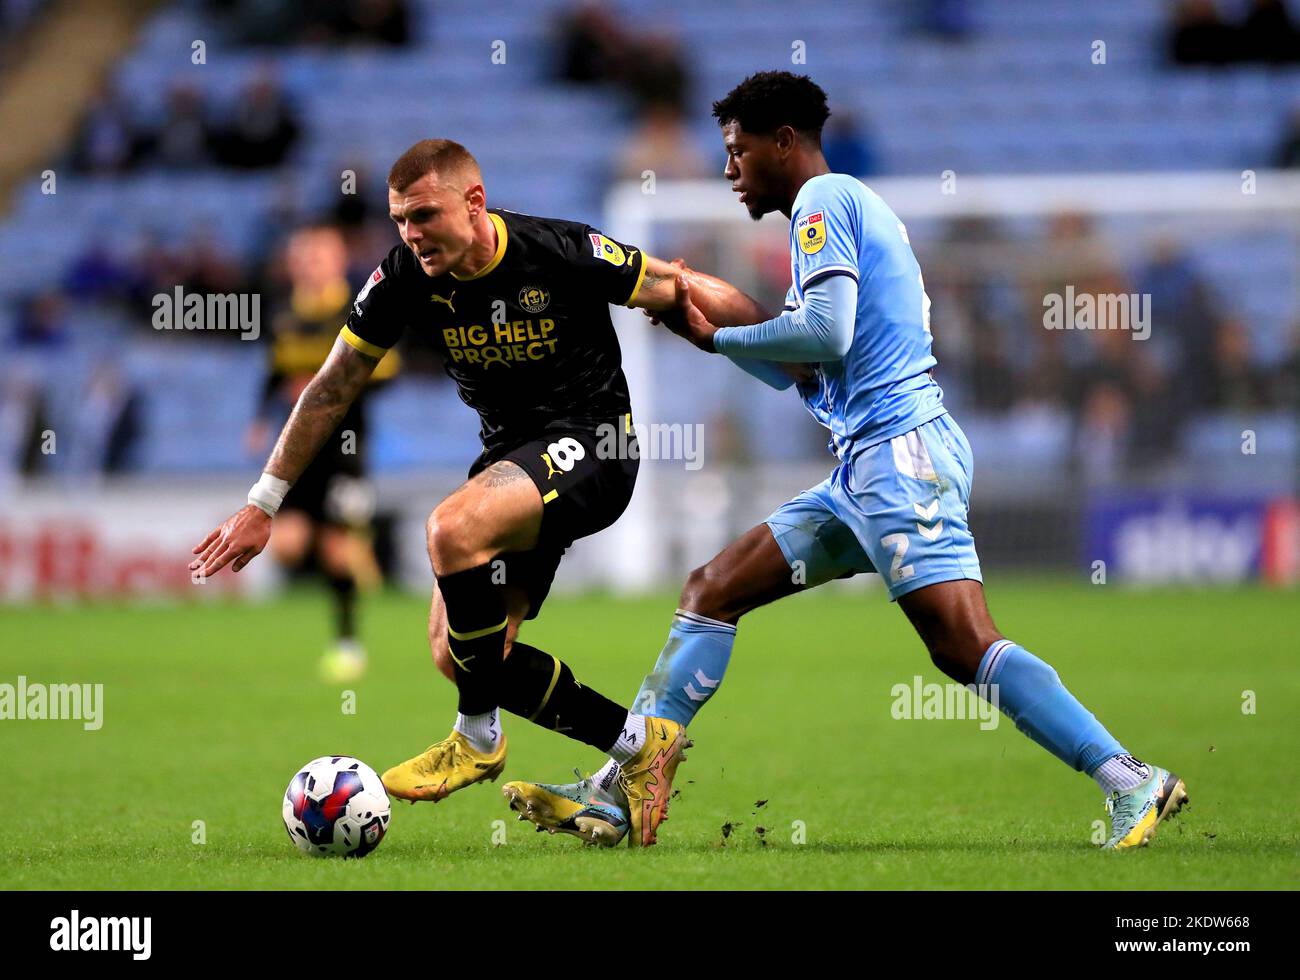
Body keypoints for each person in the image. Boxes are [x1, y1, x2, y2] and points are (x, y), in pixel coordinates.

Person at [506, 72, 1188, 851]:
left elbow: (824, 334)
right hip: (867, 468)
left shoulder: (824, 203)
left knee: (962, 645)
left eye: (739, 151)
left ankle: (1130, 779)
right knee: (712, 589)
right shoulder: (838, 210)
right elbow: (810, 362)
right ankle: (623, 788)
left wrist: (722, 339)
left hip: (900, 459)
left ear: (784, 143)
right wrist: (711, 333)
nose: (729, 169)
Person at [190, 138, 782, 846]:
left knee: (450, 529)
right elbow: (332, 386)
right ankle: (639, 745)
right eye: (400, 220)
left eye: (425, 215)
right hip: (513, 461)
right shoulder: (405, 275)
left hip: (596, 445)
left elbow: (677, 287)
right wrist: (264, 501)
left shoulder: (557, 250)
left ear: (474, 202)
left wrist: (784, 345)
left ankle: (475, 737)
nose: (412, 234)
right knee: (463, 655)